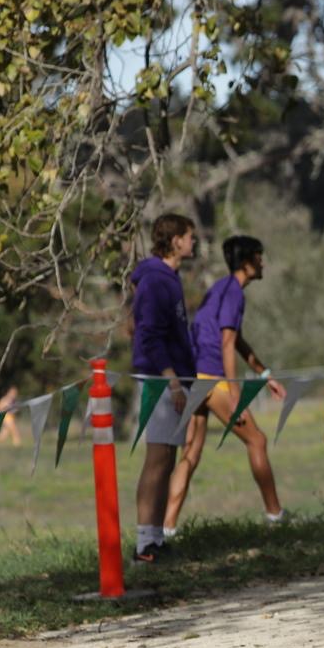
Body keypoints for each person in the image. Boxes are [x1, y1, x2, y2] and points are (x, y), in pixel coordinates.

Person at [163, 235, 287, 537]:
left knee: (190, 454)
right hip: (214, 379)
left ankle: (166, 529)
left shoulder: (219, 288)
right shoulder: (234, 293)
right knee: (256, 441)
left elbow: (237, 340)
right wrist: (234, 395)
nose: (263, 262)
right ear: (247, 262)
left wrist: (264, 373)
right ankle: (275, 516)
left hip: (195, 378)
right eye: (259, 257)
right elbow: (227, 342)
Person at [130, 212, 197, 562]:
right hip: (160, 380)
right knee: (156, 460)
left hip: (175, 378)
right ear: (175, 241)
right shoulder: (155, 280)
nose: (194, 242)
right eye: (189, 236)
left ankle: (156, 538)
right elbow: (149, 336)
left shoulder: (170, 278)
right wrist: (172, 380)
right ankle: (143, 544)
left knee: (168, 458)